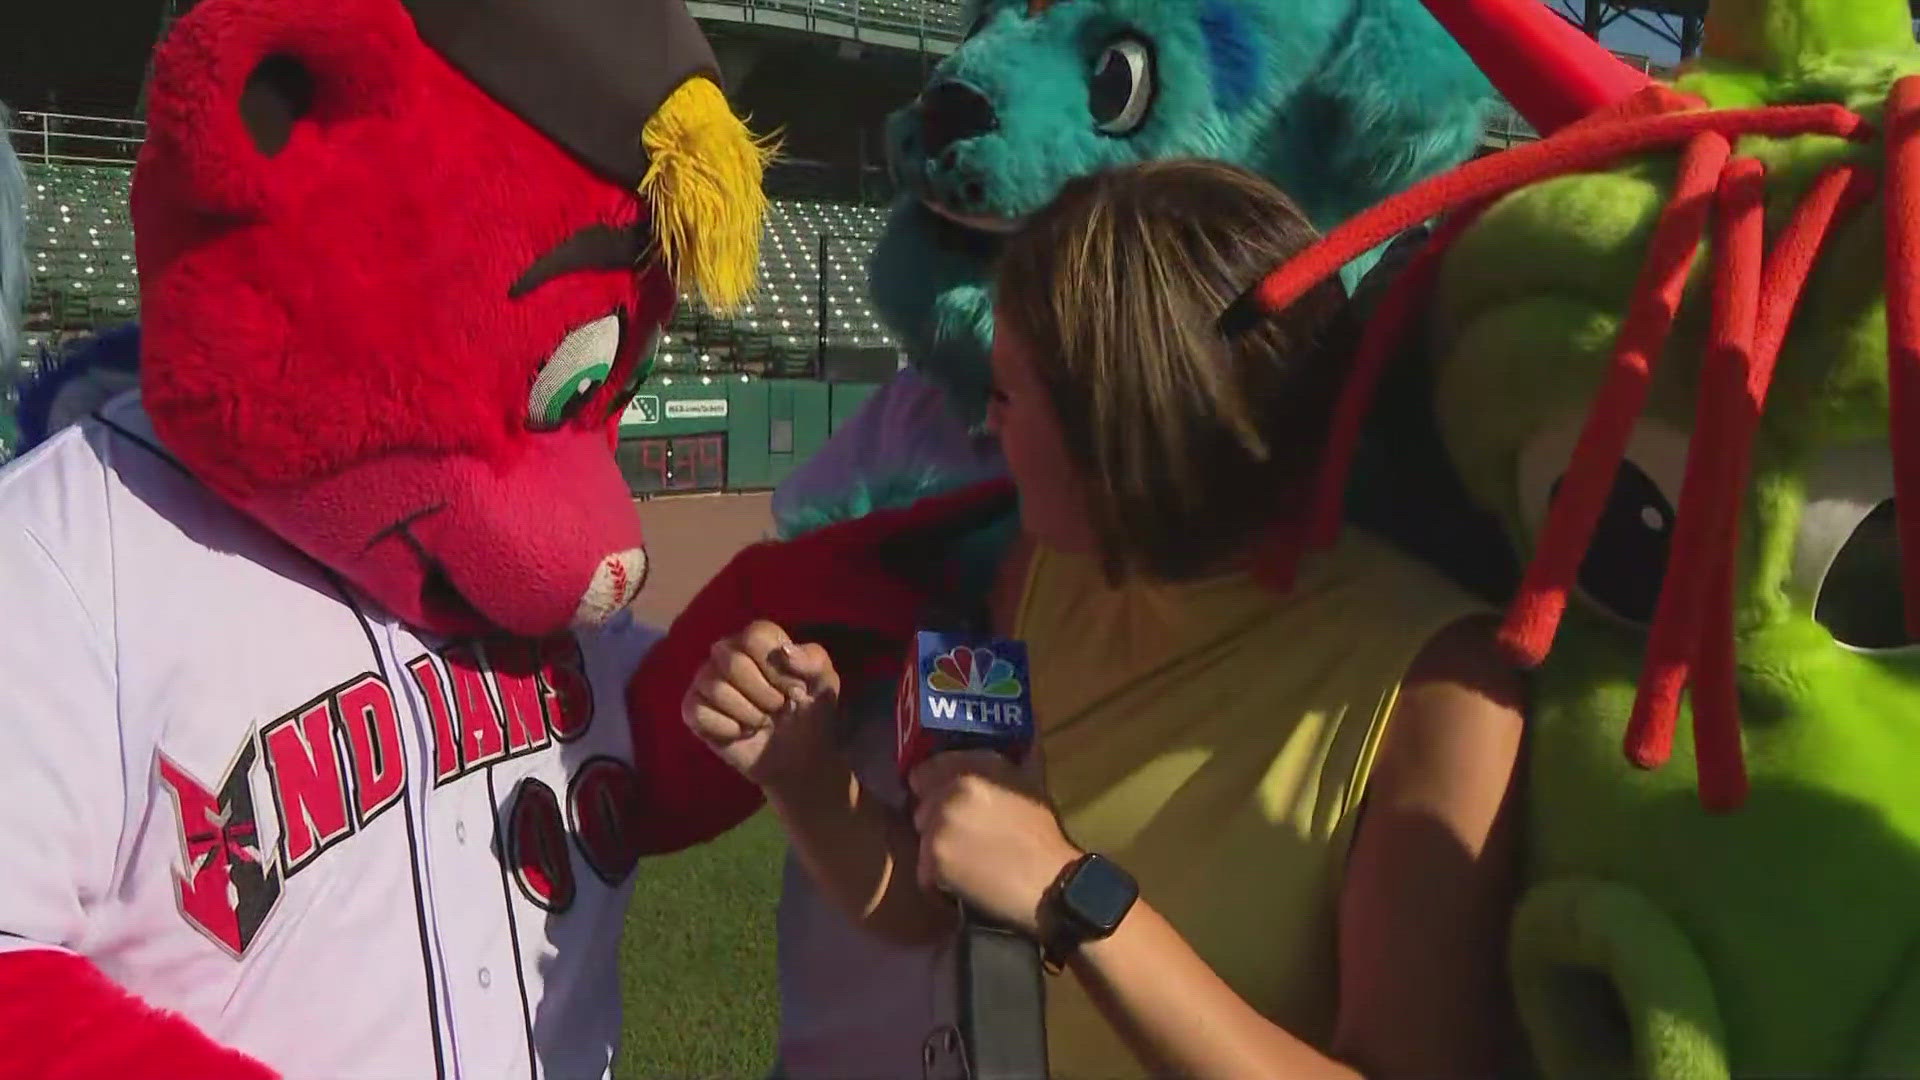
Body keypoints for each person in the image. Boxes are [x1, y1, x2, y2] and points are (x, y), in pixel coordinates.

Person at [682, 158, 1527, 1078]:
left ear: (1117, 430)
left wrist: (1073, 894)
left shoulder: (1444, 686)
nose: (984, 428)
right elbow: (945, 896)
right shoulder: (1038, 573)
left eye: (1006, 394)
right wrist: (804, 776)